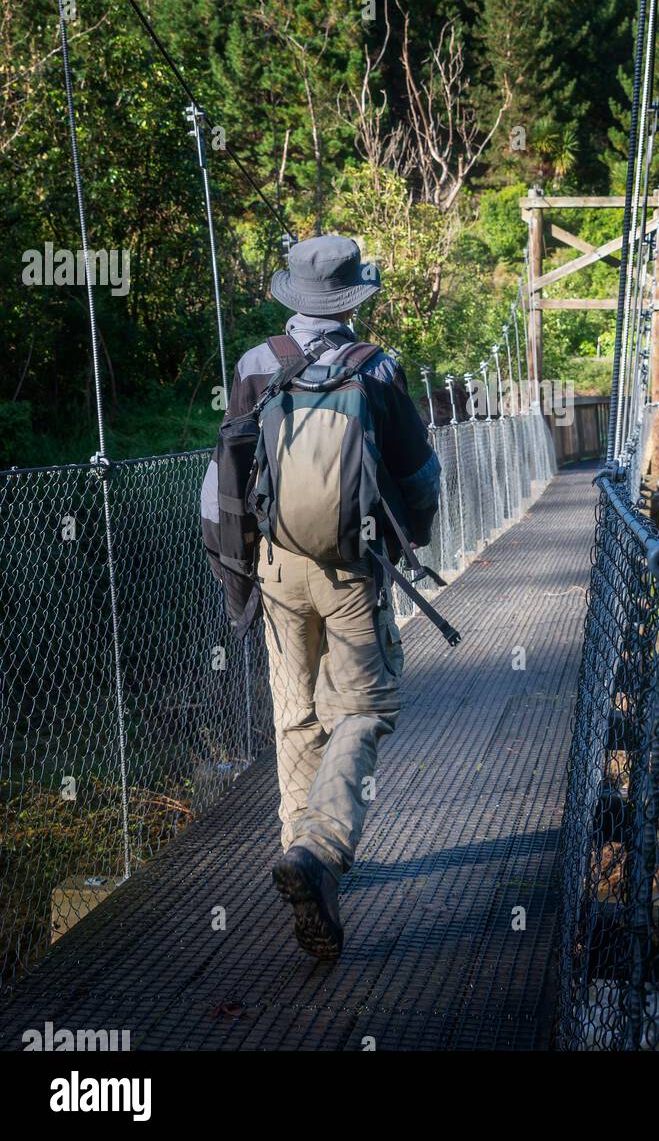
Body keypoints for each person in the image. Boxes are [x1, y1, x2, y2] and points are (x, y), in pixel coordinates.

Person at [200, 235, 441, 959]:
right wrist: (407, 545)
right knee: (364, 708)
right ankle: (321, 850)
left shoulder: (255, 364)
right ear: (352, 299)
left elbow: (222, 483)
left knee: (294, 714)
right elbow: (420, 476)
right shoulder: (377, 368)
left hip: (275, 566)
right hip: (350, 565)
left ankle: (295, 851)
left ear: (294, 298)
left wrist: (238, 576)